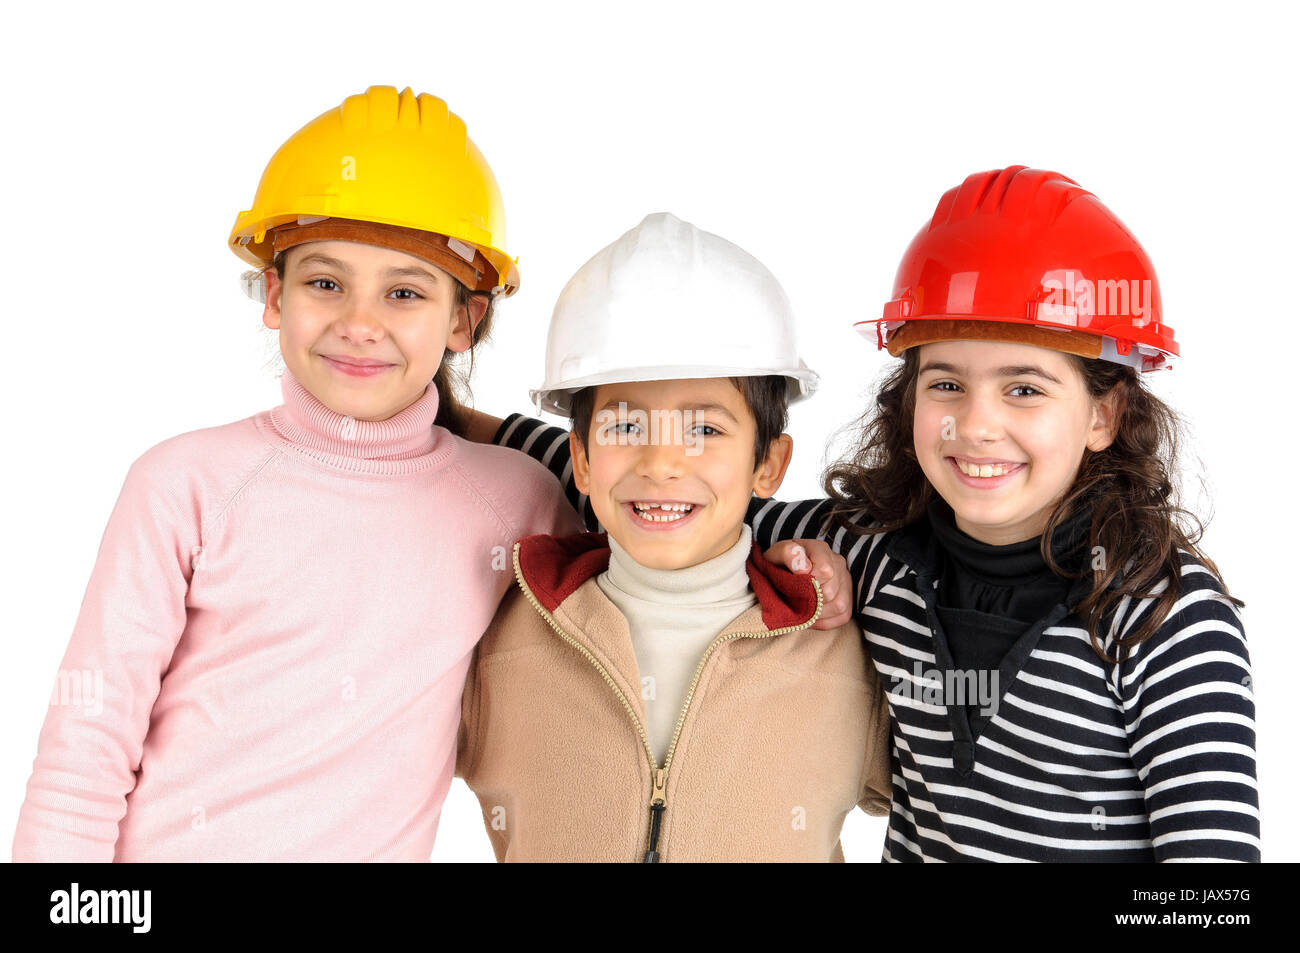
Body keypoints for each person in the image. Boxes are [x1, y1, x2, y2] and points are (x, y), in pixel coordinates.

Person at [483, 169, 1260, 862]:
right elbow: (674, 486)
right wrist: (444, 418)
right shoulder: (878, 557)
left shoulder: (1162, 613)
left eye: (1024, 388)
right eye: (946, 384)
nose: (978, 423)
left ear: (1105, 412)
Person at [12, 86, 579, 861]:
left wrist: (802, 560)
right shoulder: (184, 484)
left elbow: (660, 547)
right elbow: (89, 733)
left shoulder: (516, 502)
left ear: (462, 321)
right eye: (324, 281)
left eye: (405, 291)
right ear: (275, 294)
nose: (359, 321)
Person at [456, 213, 892, 861]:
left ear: (768, 462)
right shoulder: (496, 640)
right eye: (625, 427)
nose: (661, 463)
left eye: (706, 431)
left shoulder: (845, 656)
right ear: (578, 458)